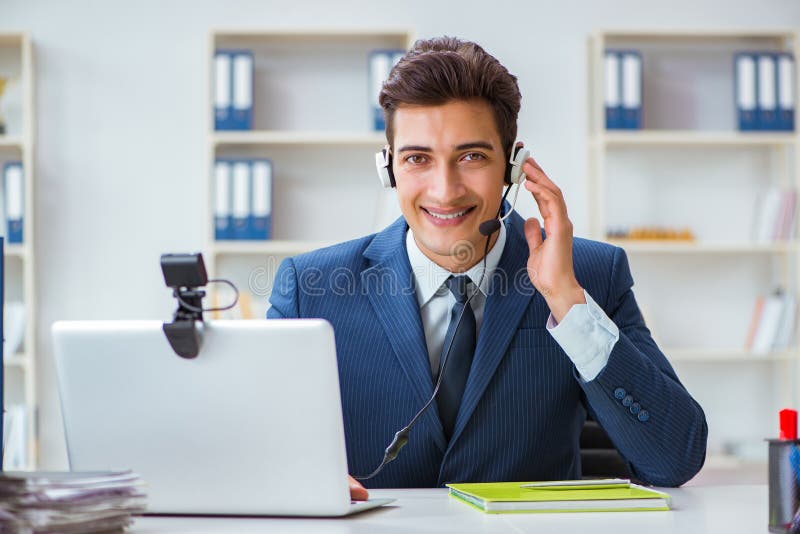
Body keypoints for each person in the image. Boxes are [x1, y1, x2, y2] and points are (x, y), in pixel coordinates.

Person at [268, 36, 707, 499]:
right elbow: (252, 446)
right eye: (417, 159)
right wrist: (290, 475)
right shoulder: (311, 291)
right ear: (389, 168)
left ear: (513, 167)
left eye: (472, 156)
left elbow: (674, 459)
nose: (445, 190)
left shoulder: (591, 275)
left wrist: (568, 303)